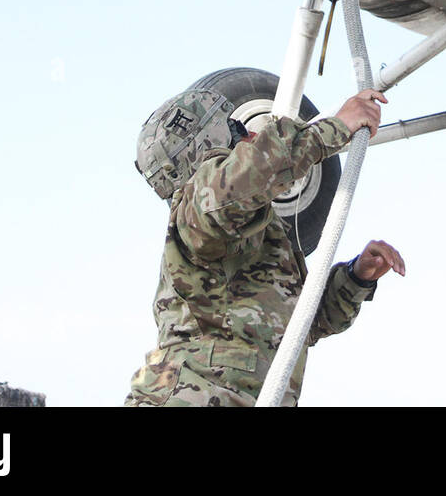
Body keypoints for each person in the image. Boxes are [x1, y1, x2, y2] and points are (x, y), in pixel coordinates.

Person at [124, 85, 403, 406]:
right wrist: (335, 127)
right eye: (237, 128)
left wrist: (355, 278)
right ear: (211, 146)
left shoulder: (247, 233)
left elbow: (296, 328)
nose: (252, 135)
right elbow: (240, 179)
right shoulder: (199, 210)